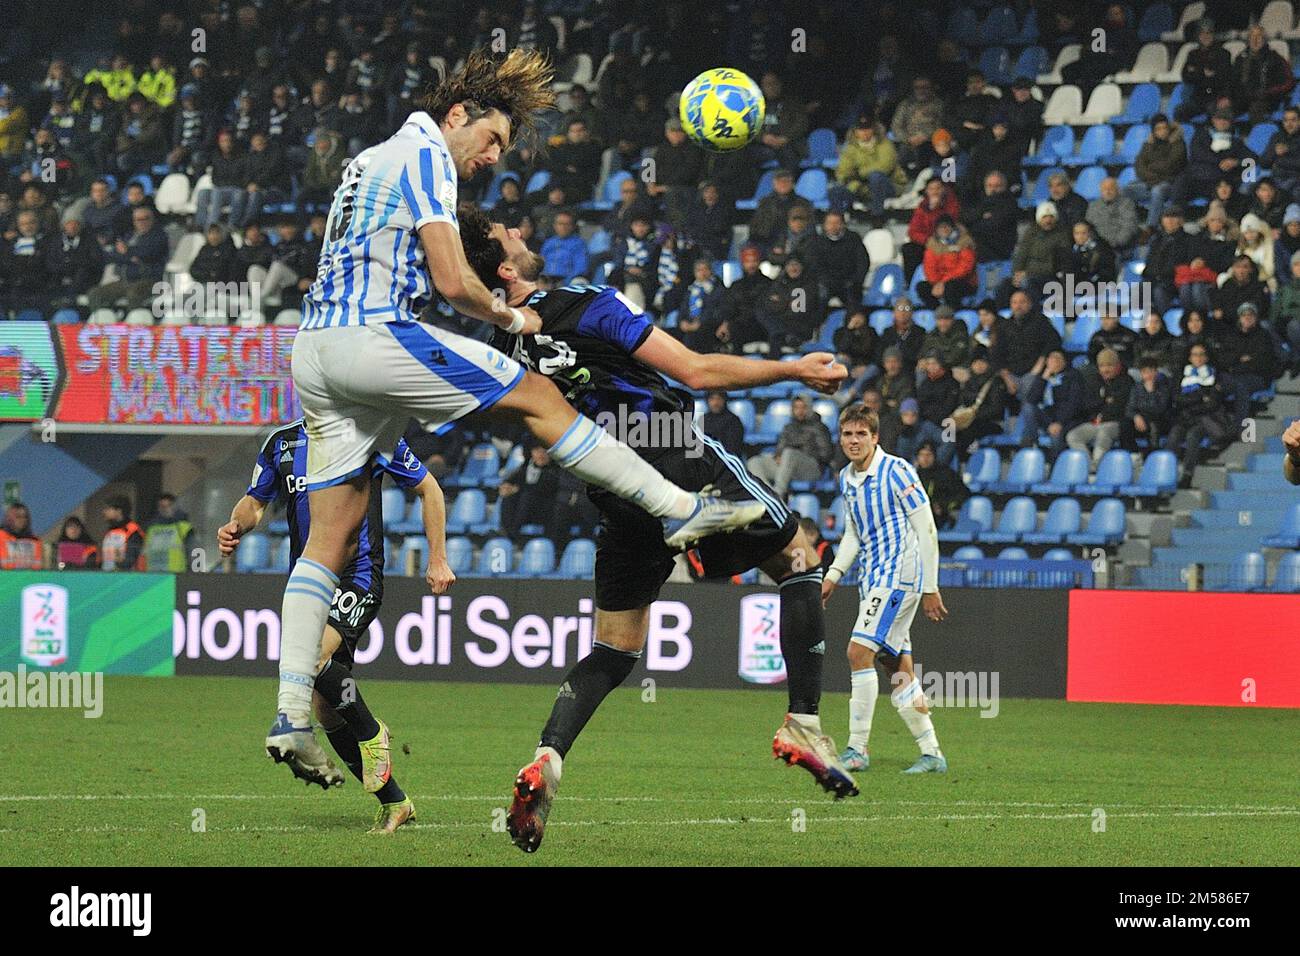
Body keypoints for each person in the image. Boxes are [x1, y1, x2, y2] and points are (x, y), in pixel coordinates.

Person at [264, 50, 766, 791]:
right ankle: (679, 508)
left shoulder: (368, 159)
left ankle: (289, 717)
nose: (491, 158)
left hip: (313, 353)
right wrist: (503, 312)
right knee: (539, 397)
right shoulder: (426, 151)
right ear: (457, 115)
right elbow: (452, 281)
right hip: (373, 336)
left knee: (330, 538)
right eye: (492, 140)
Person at [458, 207, 853, 854]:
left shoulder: (503, 349)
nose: (526, 239)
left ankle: (547, 760)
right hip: (670, 450)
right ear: (504, 267)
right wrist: (794, 369)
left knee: (615, 647)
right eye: (515, 238)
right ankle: (803, 723)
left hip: (611, 489)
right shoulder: (583, 302)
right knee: (798, 555)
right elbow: (694, 371)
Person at [221, 424, 445, 833]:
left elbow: (430, 488)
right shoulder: (282, 443)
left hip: (358, 576)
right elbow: (255, 503)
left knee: (313, 656)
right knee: (328, 710)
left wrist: (438, 558)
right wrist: (237, 524)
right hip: (309, 584)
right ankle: (395, 802)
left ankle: (373, 732)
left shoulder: (370, 434)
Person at [822, 403, 948, 775]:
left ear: (875, 437)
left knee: (858, 652)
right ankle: (932, 753)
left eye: (862, 434)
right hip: (872, 580)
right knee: (898, 668)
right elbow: (853, 534)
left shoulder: (897, 472)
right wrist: (833, 574)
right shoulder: (847, 478)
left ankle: (856, 749)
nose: (854, 440)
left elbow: (927, 528)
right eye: (848, 434)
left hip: (900, 578)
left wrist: (930, 586)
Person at [1168, 343, 1232, 487]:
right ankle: (1167, 472)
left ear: (1207, 357)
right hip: (1184, 417)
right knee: (1174, 436)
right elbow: (1177, 398)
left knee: (1193, 436)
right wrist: (1199, 396)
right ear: (1190, 357)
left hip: (1204, 419)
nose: (1198, 358)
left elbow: (1213, 403)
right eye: (1195, 354)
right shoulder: (1181, 375)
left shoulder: (1215, 376)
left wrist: (1190, 403)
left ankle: (1187, 475)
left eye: (1201, 354)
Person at [747, 394, 835, 495]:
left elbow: (826, 454)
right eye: (796, 408)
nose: (800, 411)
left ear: (809, 408)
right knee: (754, 462)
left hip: (810, 469)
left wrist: (801, 452)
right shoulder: (788, 428)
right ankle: (767, 495)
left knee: (789, 453)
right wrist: (778, 455)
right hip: (787, 467)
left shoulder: (819, 427)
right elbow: (780, 447)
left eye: (803, 407)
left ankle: (778, 495)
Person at [1067, 349, 1134, 466]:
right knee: (1073, 435)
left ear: (1118, 366)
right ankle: (1087, 466)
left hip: (1116, 423)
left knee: (1104, 432)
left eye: (1109, 365)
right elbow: (1088, 405)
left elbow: (1119, 407)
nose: (1105, 369)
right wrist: (1104, 402)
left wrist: (1102, 407)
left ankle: (1097, 465)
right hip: (1094, 422)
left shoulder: (1127, 382)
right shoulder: (1094, 381)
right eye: (1102, 366)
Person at [917, 215, 976, 310]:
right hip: (939, 283)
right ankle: (936, 312)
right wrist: (936, 283)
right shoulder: (932, 246)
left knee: (951, 287)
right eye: (941, 227)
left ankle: (954, 311)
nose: (944, 229)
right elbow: (929, 268)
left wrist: (944, 282)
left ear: (952, 227)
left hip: (963, 281)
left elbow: (965, 267)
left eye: (947, 226)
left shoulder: (964, 242)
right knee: (922, 287)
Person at [1125, 357, 1175, 451]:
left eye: (1151, 371)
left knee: (1153, 423)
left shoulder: (1163, 388)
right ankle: (1133, 453)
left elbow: (1159, 410)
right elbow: (1129, 408)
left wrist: (1151, 392)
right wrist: (1136, 416)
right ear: (1141, 373)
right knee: (1125, 425)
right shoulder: (1136, 387)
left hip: (1160, 420)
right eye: (1145, 372)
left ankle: (1153, 453)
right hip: (1140, 420)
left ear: (1156, 372)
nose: (1148, 375)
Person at [143, 493, 196, 572]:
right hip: (153, 575)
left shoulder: (184, 528)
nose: (165, 509)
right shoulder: (151, 528)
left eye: (168, 505)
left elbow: (192, 552)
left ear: (174, 507)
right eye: (162, 506)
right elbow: (145, 552)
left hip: (175, 575)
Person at [100, 496, 145, 571]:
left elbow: (131, 559)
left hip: (126, 577)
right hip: (109, 576)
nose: (104, 512)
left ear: (119, 511)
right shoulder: (111, 530)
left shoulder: (132, 530)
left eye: (108, 509)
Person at [699, 389, 745, 458]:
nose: (715, 403)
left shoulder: (733, 421)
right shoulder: (703, 419)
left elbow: (732, 449)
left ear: (724, 400)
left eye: (719, 399)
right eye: (712, 399)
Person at [0, 502, 43, 570]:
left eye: (25, 517)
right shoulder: (1, 536)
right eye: (18, 516)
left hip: (29, 579)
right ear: (9, 518)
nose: (22, 520)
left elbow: (39, 567)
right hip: (4, 578)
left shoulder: (35, 541)